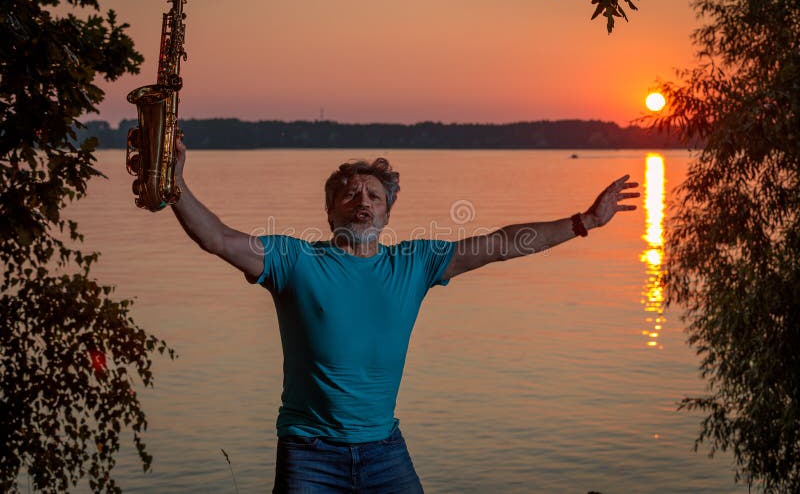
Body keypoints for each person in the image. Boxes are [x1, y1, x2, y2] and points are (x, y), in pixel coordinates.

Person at [170, 136, 639, 493]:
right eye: (351, 195)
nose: (363, 203)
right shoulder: (294, 261)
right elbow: (218, 238)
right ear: (330, 210)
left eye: (374, 196)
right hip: (309, 455)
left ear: (388, 213)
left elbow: (501, 244)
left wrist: (586, 222)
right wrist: (175, 187)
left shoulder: (413, 264)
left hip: (384, 452)